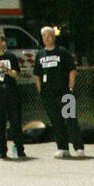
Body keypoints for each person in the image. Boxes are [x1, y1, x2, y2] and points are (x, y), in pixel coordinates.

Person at [33, 26, 85, 158]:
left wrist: (70, 88)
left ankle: (79, 148)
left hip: (64, 92)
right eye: (44, 36)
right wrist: (41, 90)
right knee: (56, 121)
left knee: (71, 120)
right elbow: (37, 75)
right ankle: (62, 148)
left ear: (54, 37)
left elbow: (72, 71)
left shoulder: (62, 52)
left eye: (49, 35)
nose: (47, 38)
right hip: (48, 94)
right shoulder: (40, 55)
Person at [0, 31, 27, 160]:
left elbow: (16, 74)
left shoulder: (11, 56)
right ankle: (2, 150)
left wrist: (5, 69)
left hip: (10, 90)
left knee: (15, 121)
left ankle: (20, 149)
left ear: (3, 42)